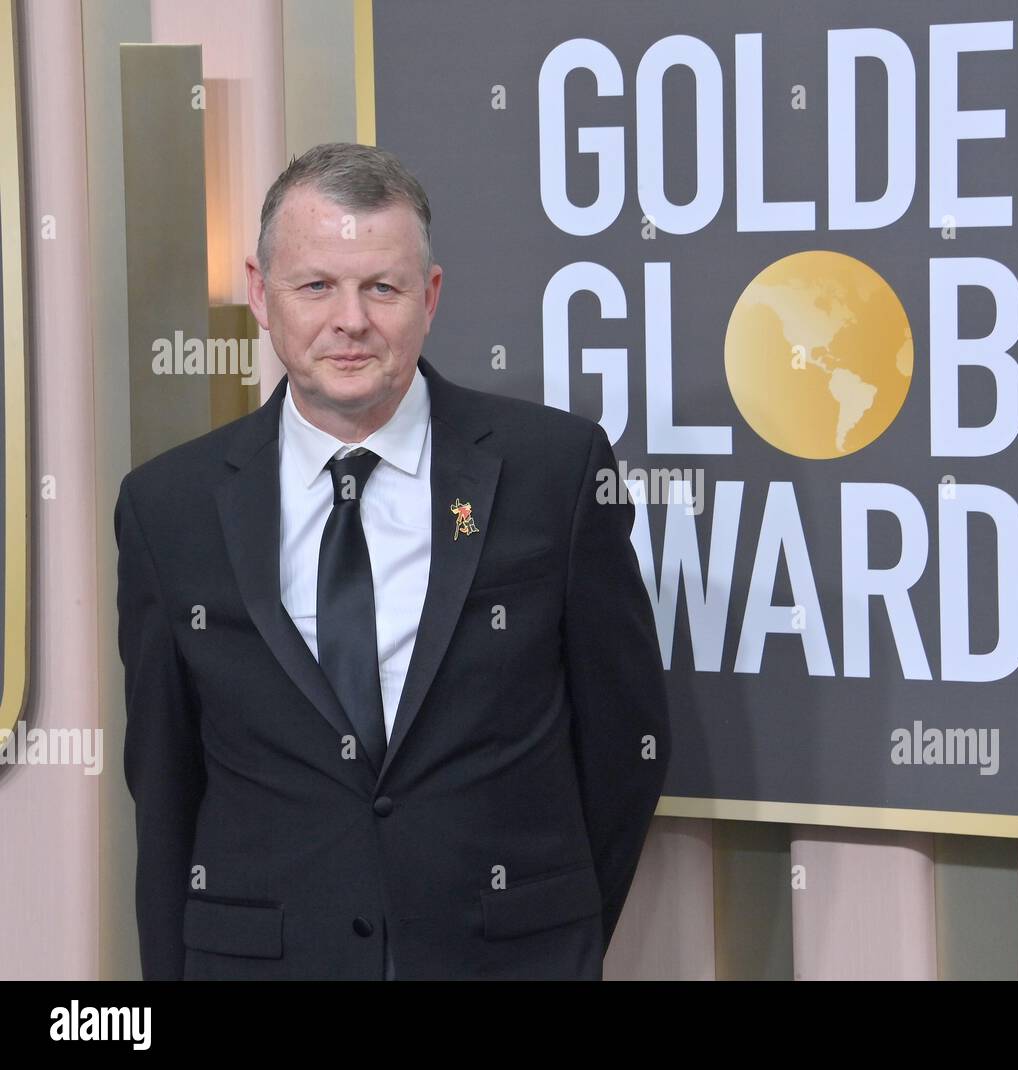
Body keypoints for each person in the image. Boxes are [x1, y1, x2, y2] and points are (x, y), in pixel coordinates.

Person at [115, 142, 670, 980]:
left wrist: (549, 926)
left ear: (430, 296)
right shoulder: (169, 507)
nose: (351, 320)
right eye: (316, 286)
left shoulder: (555, 471)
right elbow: (165, 789)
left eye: (382, 286)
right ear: (262, 296)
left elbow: (626, 741)